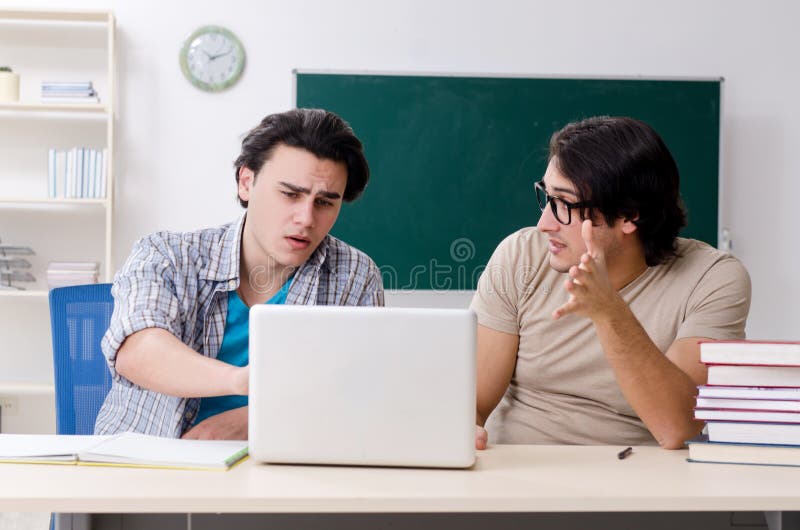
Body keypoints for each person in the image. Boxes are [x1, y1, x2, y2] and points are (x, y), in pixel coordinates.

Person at [95, 108, 384, 439]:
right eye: (290, 194)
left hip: (285, 465)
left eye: (325, 203)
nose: (306, 218)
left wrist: (254, 419)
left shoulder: (355, 276)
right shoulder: (167, 256)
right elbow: (138, 352)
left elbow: (356, 393)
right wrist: (244, 382)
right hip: (149, 460)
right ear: (247, 182)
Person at [471, 116, 750, 450]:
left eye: (564, 204)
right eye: (546, 197)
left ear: (629, 215)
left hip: (637, 485)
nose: (544, 223)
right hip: (516, 474)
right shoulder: (521, 255)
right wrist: (461, 429)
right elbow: (469, 403)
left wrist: (609, 311)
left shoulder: (713, 279)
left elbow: (677, 426)